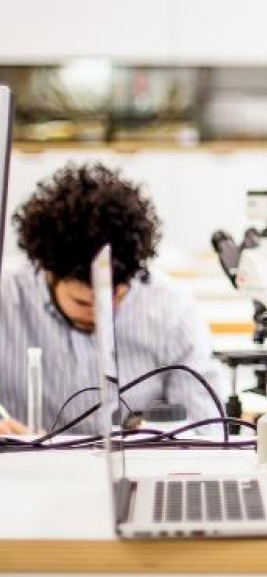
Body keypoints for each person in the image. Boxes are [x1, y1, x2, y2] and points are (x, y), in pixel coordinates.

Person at [0, 162, 225, 436]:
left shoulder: (172, 310)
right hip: (22, 476)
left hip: (139, 472)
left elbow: (208, 432)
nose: (100, 314)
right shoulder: (6, 299)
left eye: (114, 297)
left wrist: (164, 436)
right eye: (83, 302)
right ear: (48, 274)